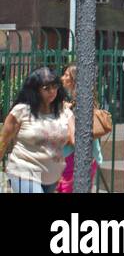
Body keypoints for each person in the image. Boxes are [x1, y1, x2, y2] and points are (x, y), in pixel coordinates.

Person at [0, 66, 72, 193]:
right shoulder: (21, 111)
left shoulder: (64, 112)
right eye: (46, 88)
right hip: (23, 172)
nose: (52, 91)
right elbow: (3, 141)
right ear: (35, 90)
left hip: (52, 177)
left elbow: (75, 138)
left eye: (55, 86)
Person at [55, 63, 112, 194]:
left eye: (66, 75)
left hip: (76, 155)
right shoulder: (79, 99)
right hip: (75, 155)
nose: (62, 78)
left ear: (73, 79)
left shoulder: (81, 101)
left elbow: (76, 131)